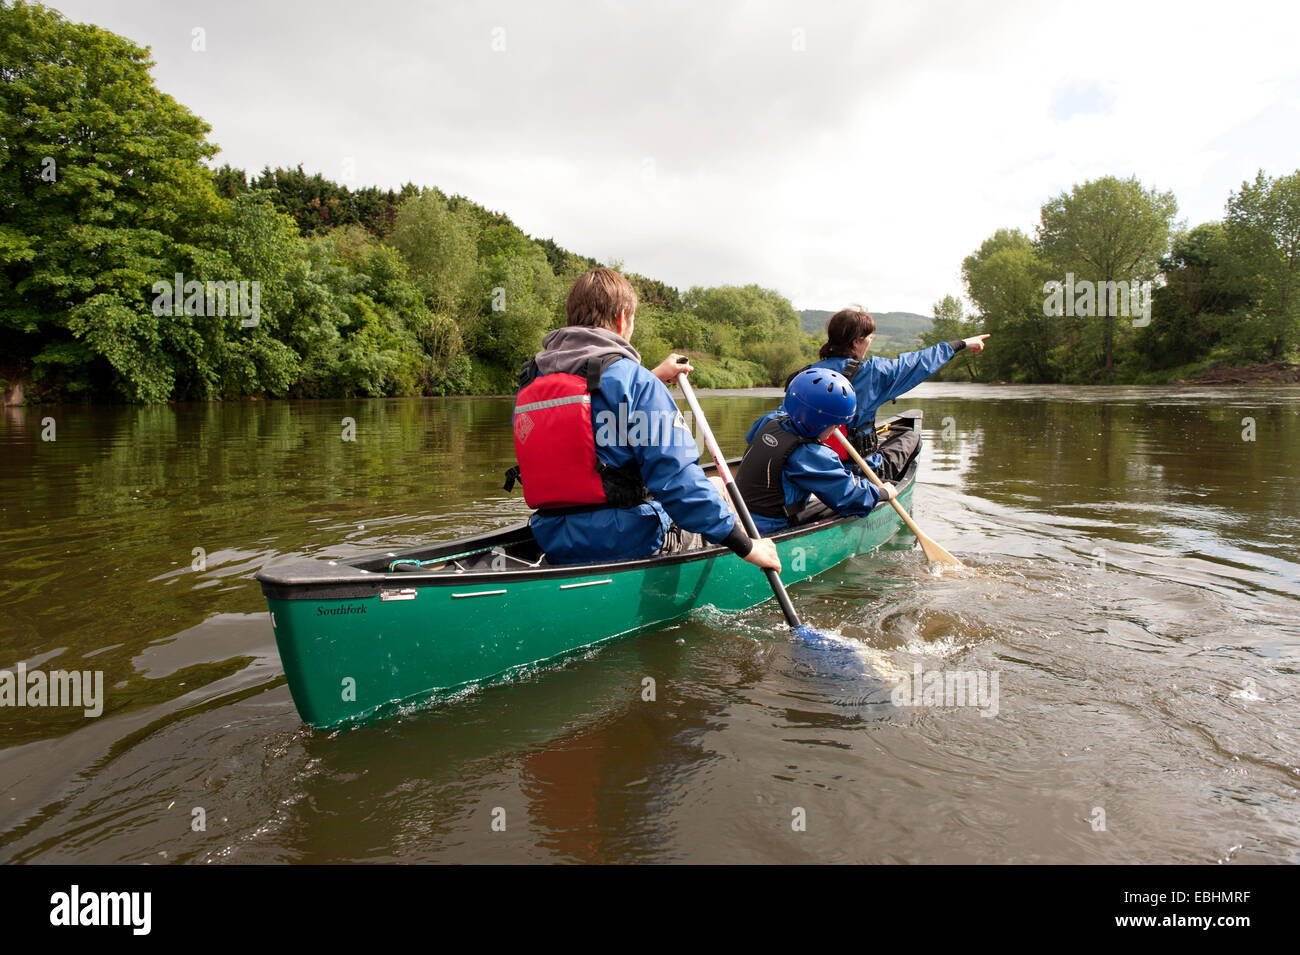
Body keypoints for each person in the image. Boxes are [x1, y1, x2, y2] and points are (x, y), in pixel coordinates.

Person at [506, 267, 781, 571]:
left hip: (553, 537)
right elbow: (679, 483)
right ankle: (759, 551)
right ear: (623, 318)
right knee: (715, 487)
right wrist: (745, 546)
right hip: (630, 540)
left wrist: (652, 378)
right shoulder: (635, 382)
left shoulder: (532, 380)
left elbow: (591, 413)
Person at [789, 307, 989, 480]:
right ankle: (886, 487)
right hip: (859, 471)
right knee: (911, 436)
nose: (870, 342)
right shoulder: (873, 373)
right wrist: (960, 344)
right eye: (869, 338)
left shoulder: (802, 376)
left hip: (810, 468)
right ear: (857, 342)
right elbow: (919, 362)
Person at [735, 367, 897, 536]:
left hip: (744, 514)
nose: (837, 428)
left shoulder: (770, 421)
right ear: (819, 422)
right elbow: (848, 496)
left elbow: (754, 435)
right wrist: (882, 492)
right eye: (835, 424)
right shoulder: (808, 453)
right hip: (770, 527)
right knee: (851, 506)